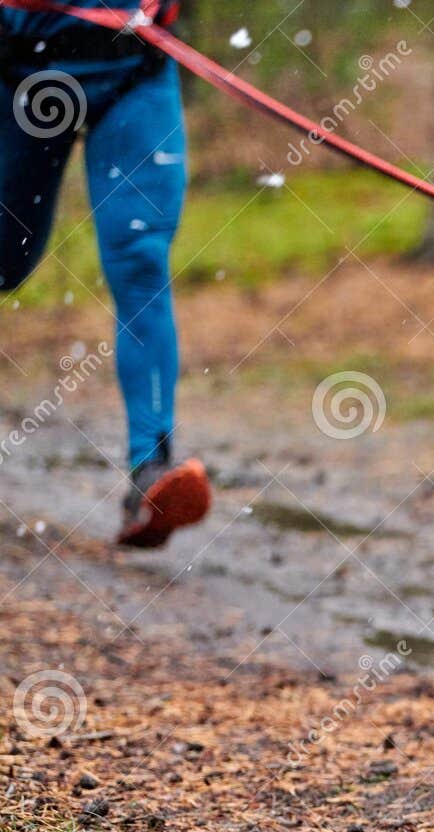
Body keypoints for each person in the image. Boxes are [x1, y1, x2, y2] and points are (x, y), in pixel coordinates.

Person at [0, 0, 209, 548]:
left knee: (141, 258)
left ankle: (150, 472)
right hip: (20, 67)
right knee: (4, 260)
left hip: (134, 67)